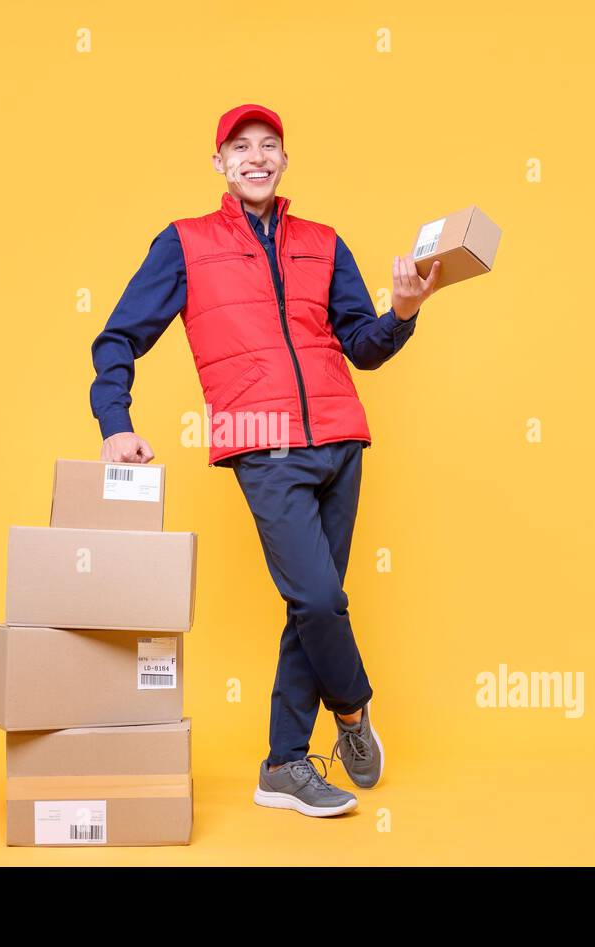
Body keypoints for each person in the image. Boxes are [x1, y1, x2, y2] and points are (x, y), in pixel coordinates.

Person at [89, 103, 444, 817]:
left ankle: (284, 764)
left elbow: (361, 345)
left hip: (341, 438)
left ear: (284, 160)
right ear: (219, 163)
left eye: (270, 145)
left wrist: (401, 312)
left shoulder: (323, 240)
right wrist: (115, 421)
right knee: (319, 597)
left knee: (307, 610)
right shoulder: (184, 243)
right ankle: (352, 710)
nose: (257, 156)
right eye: (240, 146)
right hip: (262, 441)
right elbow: (118, 336)